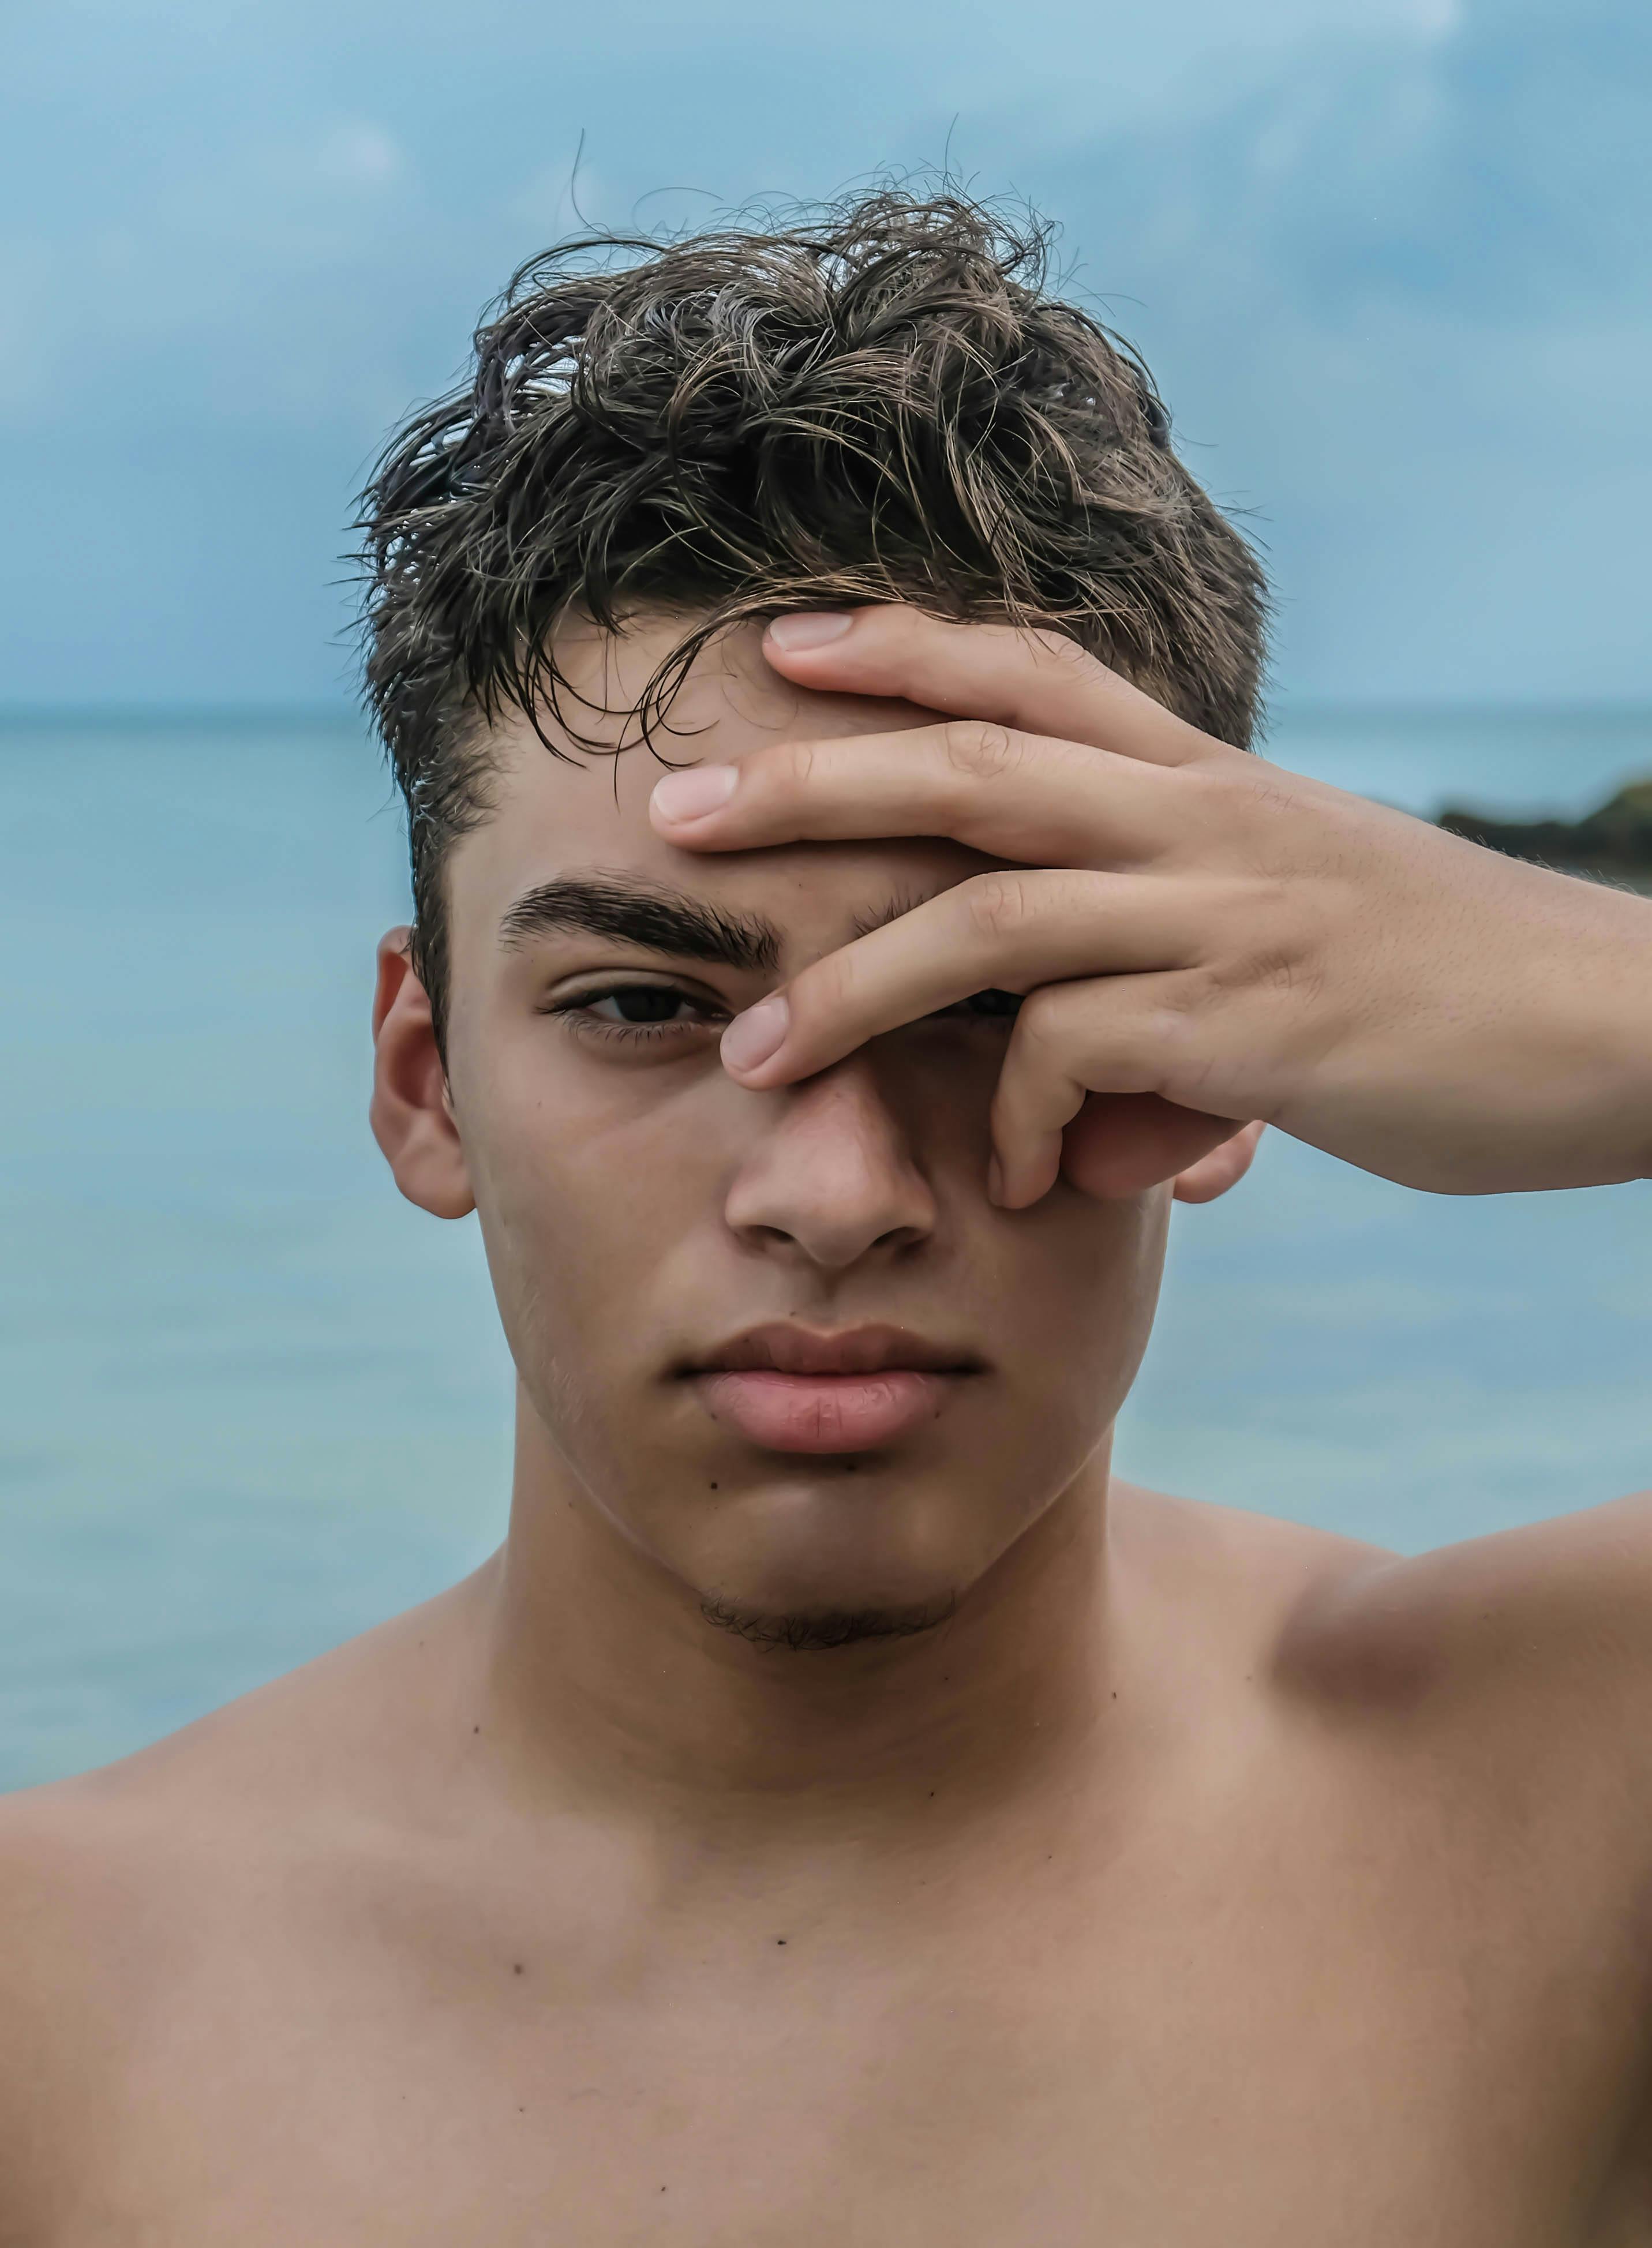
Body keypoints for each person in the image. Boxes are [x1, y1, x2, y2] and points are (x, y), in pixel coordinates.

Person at [2, 190, 1650, 2247]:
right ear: (425, 1084)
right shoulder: (54, 2012)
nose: (835, 1193)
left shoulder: (1572, 1800)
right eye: (639, 1007)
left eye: (979, 1002)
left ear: (1233, 1062)